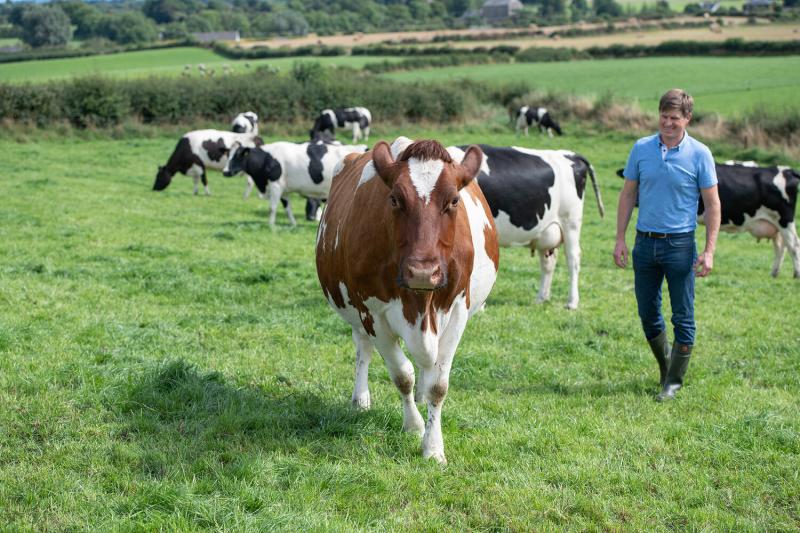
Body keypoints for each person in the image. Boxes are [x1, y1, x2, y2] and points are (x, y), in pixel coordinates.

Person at [614, 89, 721, 402]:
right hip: (644, 244)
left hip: (680, 245)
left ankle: (673, 382)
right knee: (648, 313)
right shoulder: (641, 148)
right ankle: (666, 368)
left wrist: (710, 250)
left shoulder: (700, 154)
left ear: (687, 119)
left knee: (683, 316)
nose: (668, 123)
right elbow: (628, 194)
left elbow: (713, 204)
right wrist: (620, 238)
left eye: (675, 118)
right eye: (664, 116)